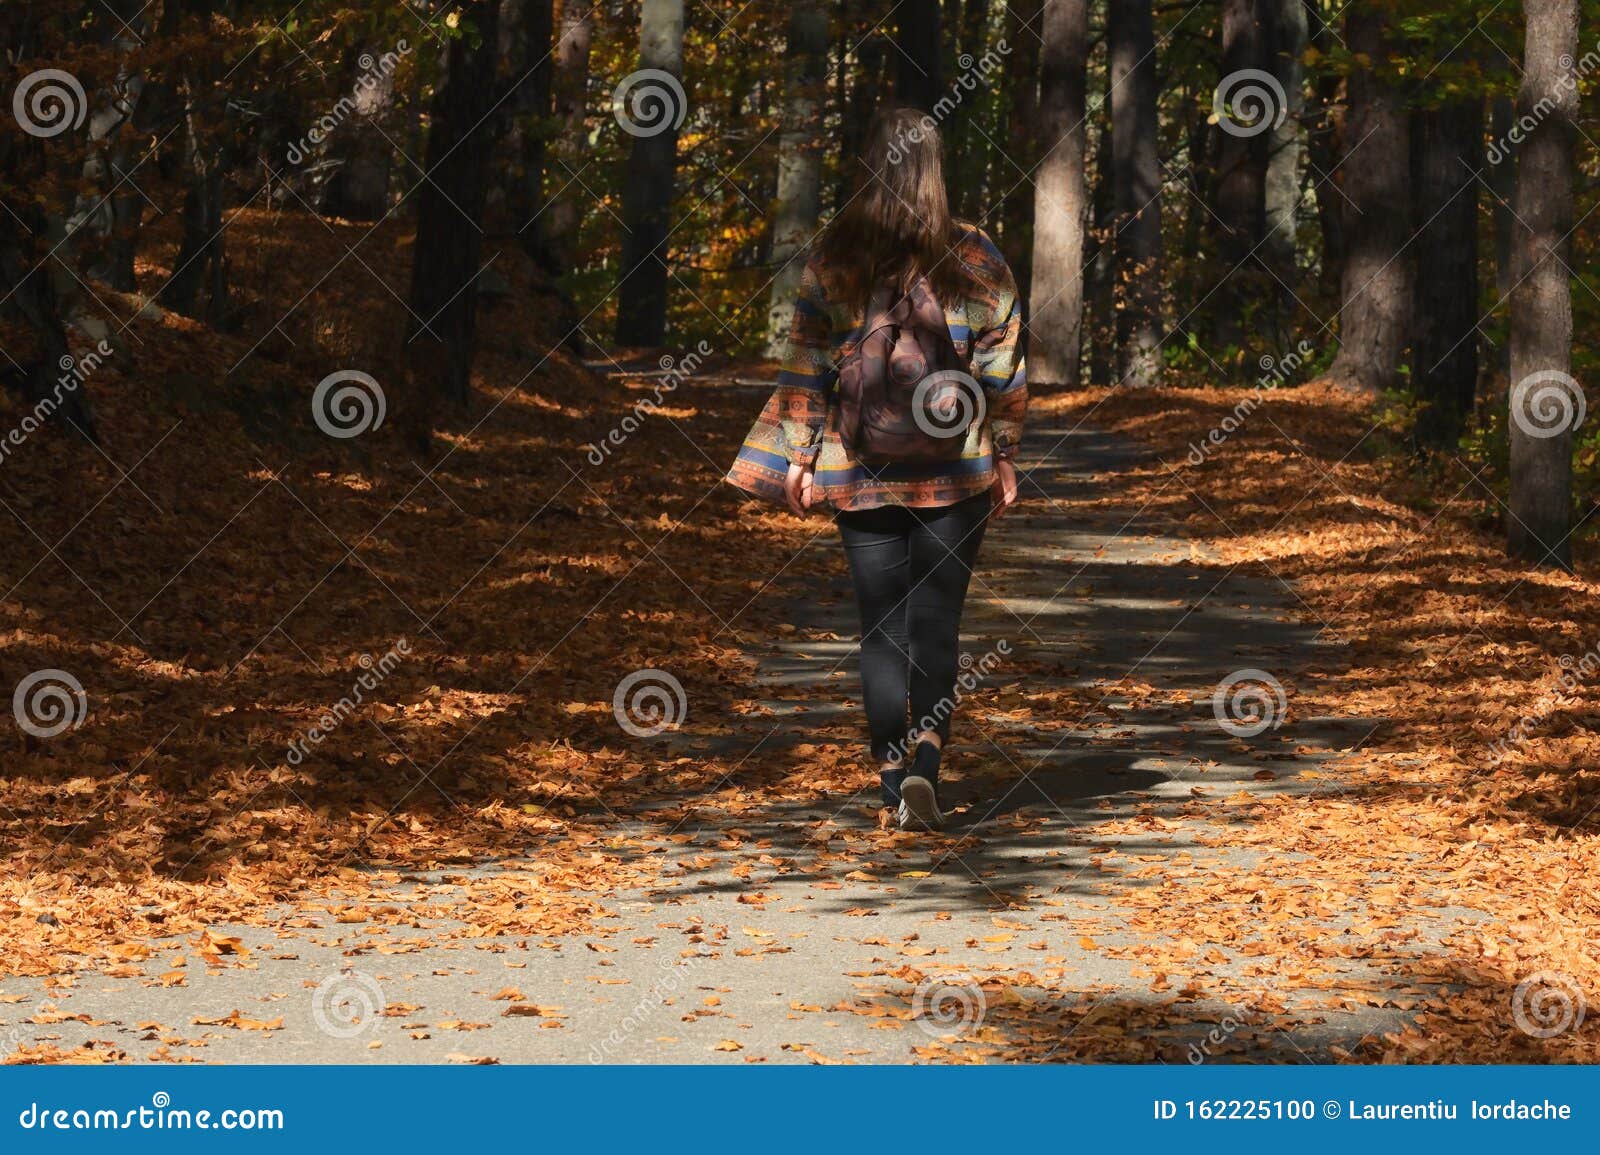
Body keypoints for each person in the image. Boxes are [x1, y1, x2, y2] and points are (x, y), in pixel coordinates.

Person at [727, 106, 1027, 831]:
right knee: (938, 625)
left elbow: (806, 364)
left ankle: (890, 776)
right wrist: (1007, 452)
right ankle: (928, 757)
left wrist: (798, 458)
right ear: (935, 170)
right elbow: (1002, 365)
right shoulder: (974, 253)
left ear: (870, 164)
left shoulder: (836, 254)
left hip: (857, 472)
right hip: (954, 471)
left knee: (881, 628)